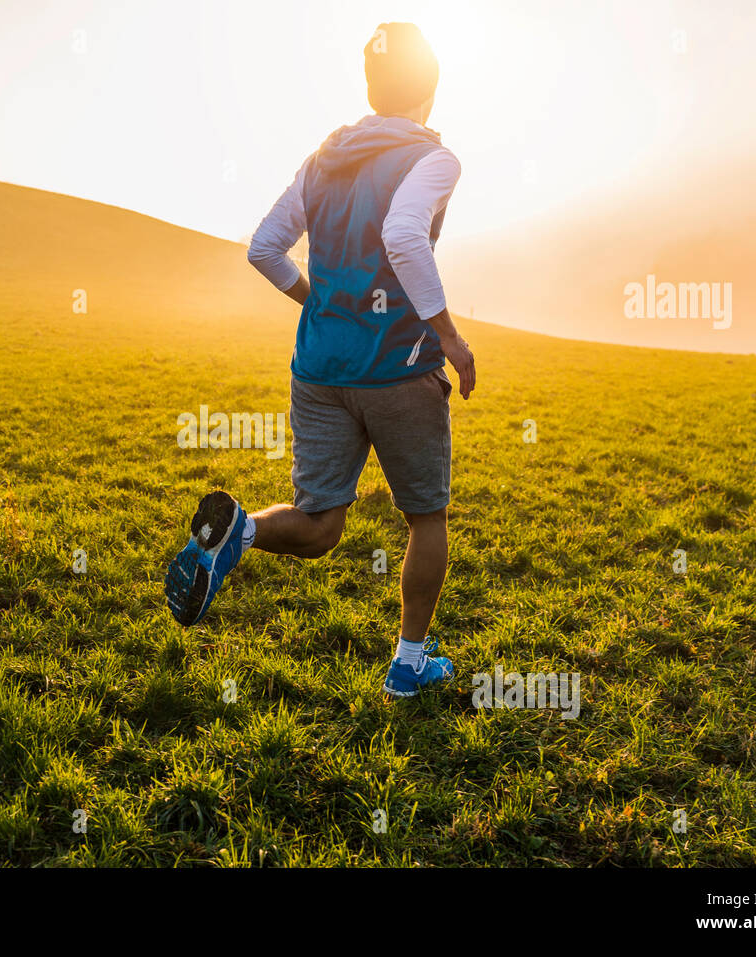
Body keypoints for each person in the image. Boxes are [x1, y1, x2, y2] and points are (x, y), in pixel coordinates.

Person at [164, 22, 476, 698]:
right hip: (397, 368)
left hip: (319, 370)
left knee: (321, 526)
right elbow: (401, 233)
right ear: (430, 90)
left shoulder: (324, 157)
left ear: (370, 86)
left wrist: (317, 299)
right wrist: (448, 334)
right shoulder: (434, 159)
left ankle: (238, 532)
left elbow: (264, 247)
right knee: (427, 517)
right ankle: (409, 665)